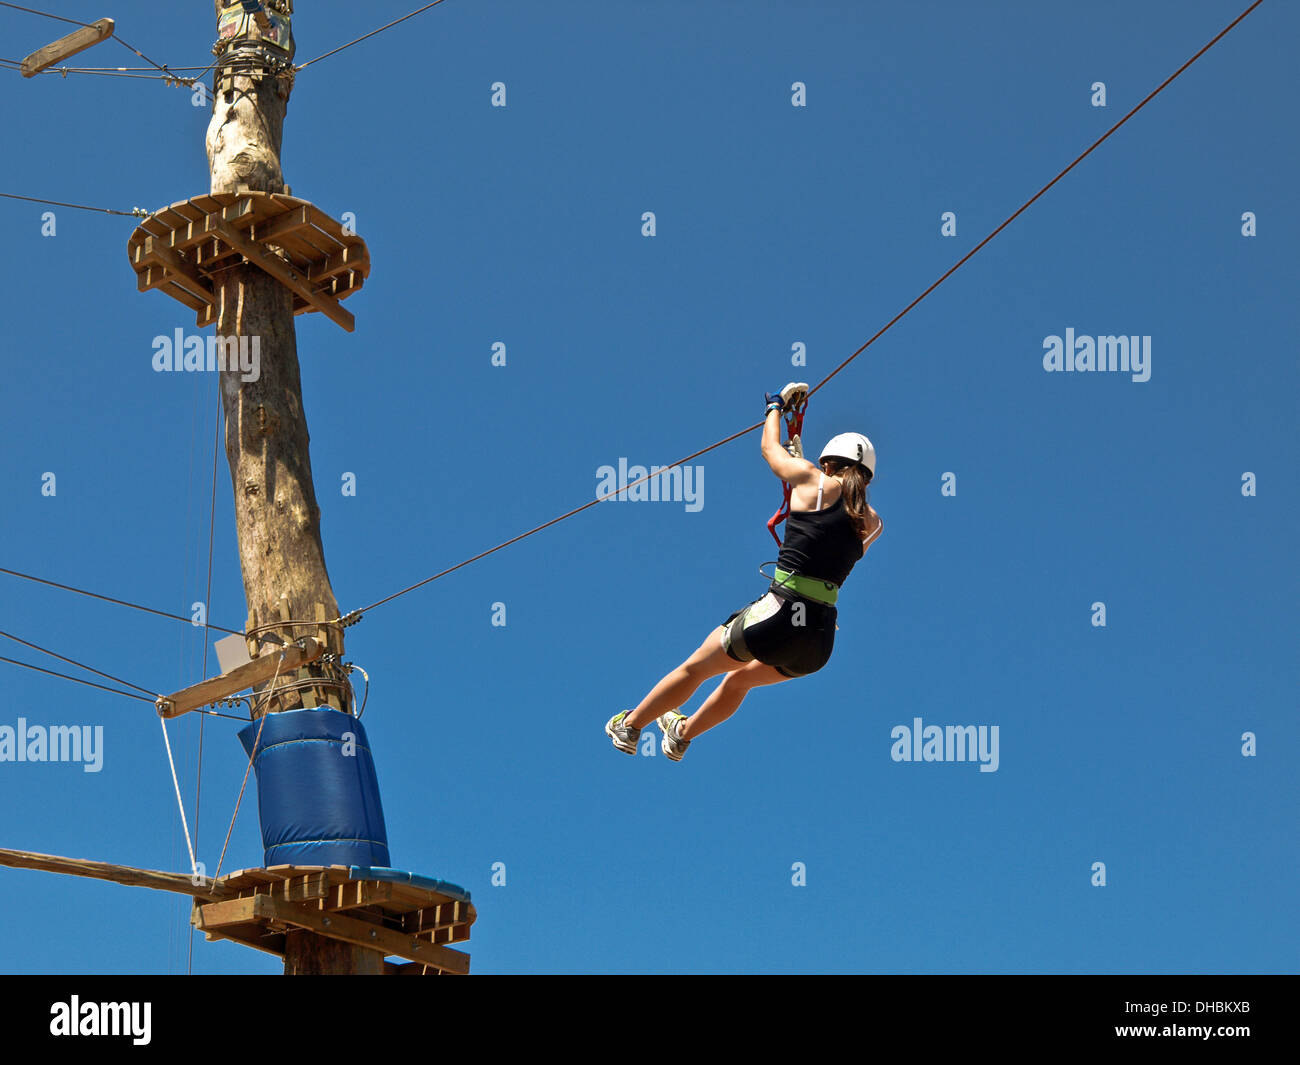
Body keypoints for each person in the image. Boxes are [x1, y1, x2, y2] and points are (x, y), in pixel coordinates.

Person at [605, 382, 883, 761]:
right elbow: (829, 549)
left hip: (782, 615)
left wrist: (775, 406)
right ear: (867, 476)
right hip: (817, 642)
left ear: (828, 463)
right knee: (738, 682)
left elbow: (770, 450)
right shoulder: (872, 523)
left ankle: (630, 726)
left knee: (695, 669)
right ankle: (681, 734)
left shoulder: (810, 479)